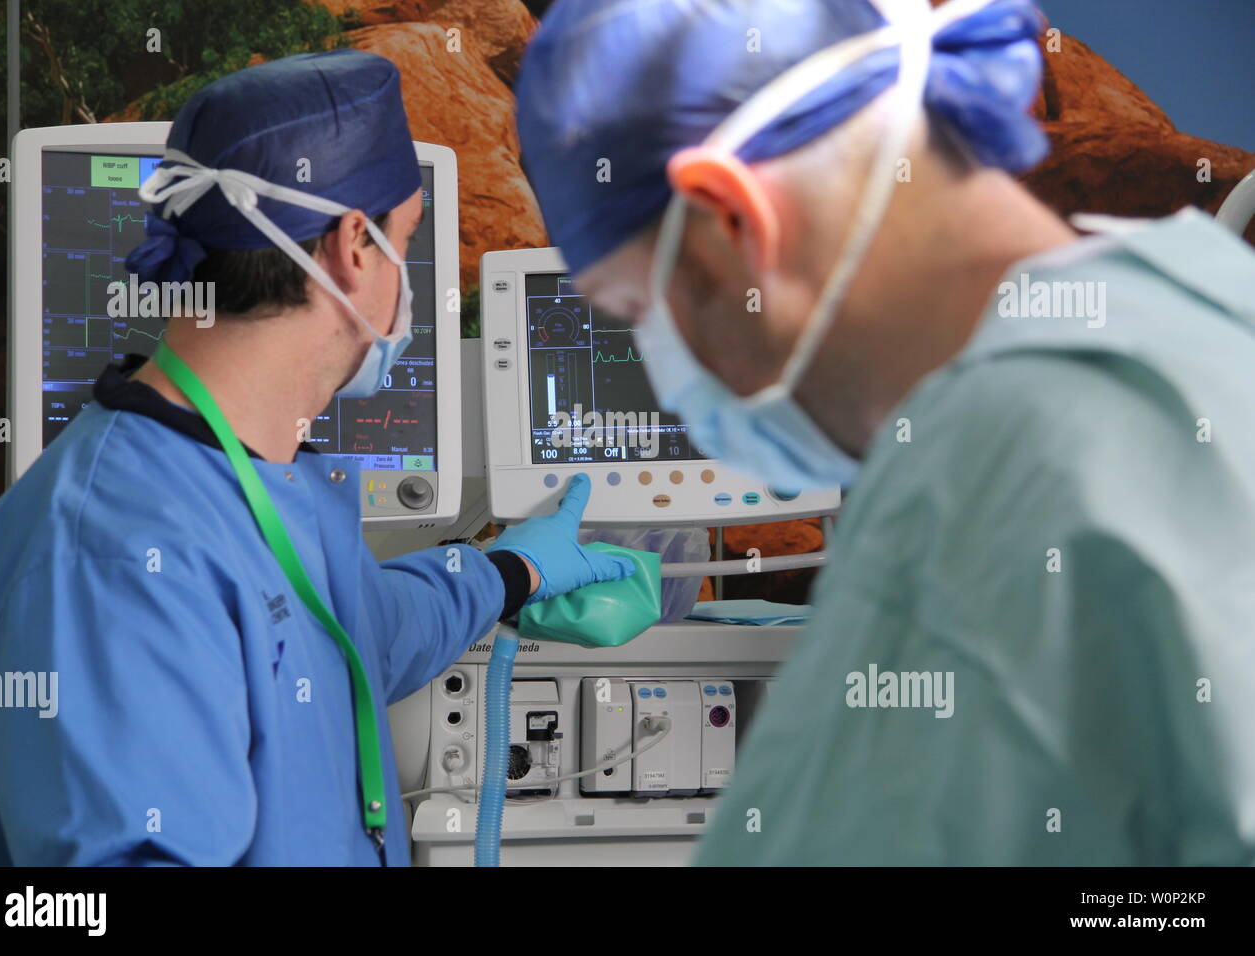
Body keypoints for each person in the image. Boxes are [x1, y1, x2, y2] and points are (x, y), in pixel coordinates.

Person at [515, 0, 1255, 864]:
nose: (679, 381)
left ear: (731, 221)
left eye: (643, 311)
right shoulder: (1210, 319)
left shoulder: (984, 474)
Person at [0, 50, 632, 866]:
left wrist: (508, 573)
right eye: (406, 241)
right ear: (355, 246)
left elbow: (358, 632)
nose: (406, 286)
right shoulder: (115, 558)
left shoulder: (257, 476)